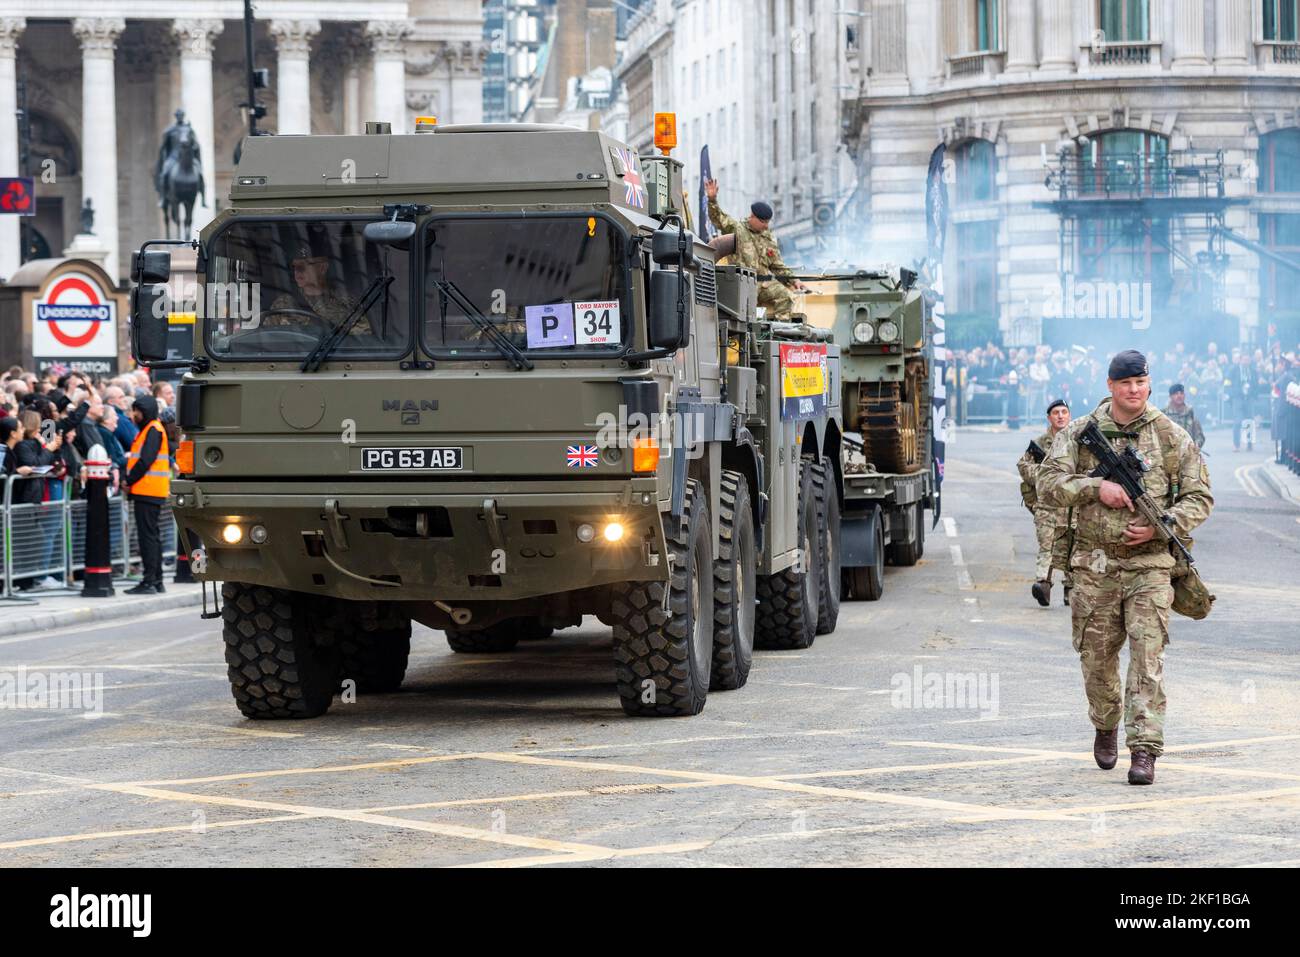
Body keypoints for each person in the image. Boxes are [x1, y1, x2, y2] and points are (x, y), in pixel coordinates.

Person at [1039, 350, 1214, 786]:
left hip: (1150, 567)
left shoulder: (1171, 436)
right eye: (1125, 384)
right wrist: (1098, 488)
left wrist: (1162, 527)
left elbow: (1200, 497)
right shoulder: (1081, 432)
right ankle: (1105, 724)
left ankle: (1144, 749)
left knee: (1147, 658)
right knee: (1096, 660)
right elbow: (1047, 482)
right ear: (1110, 386)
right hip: (1094, 565)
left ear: (1149, 384)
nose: (1134, 390)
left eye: (1141, 382)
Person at [704, 178, 808, 320]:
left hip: (764, 284)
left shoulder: (768, 237)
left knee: (786, 297)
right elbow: (718, 218)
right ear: (753, 217)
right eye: (763, 222)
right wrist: (712, 200)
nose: (766, 226)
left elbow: (777, 265)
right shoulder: (737, 229)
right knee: (745, 314)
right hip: (743, 284)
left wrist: (794, 281)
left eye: (767, 222)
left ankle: (779, 331)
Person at [1017, 399, 1074, 607]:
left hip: (1072, 507)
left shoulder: (1076, 441)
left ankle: (1071, 588)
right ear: (1049, 418)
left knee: (1072, 546)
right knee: (1046, 546)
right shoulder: (1040, 444)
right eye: (1056, 413)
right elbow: (1023, 466)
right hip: (1047, 507)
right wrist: (1043, 475)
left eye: (1064, 412)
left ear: (1069, 416)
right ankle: (1043, 584)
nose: (1060, 416)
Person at [266, 235, 369, 334]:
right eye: (294, 266)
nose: (297, 271)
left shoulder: (346, 302)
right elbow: (268, 338)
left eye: (303, 266)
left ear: (322, 268)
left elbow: (364, 339)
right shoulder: (284, 303)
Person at [124, 394, 170, 594]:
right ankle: (156, 580)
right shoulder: (151, 429)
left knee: (148, 538)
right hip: (150, 490)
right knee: (153, 537)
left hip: (147, 490)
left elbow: (145, 461)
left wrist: (128, 480)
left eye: (137, 411)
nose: (134, 415)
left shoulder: (152, 430)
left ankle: (149, 581)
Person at [1163, 383, 1205, 449]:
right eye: (1176, 393)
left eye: (1181, 393)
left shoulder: (1190, 414)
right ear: (1170, 396)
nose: (1179, 396)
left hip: (1188, 455)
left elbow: (1200, 436)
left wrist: (1196, 444)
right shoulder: (1164, 415)